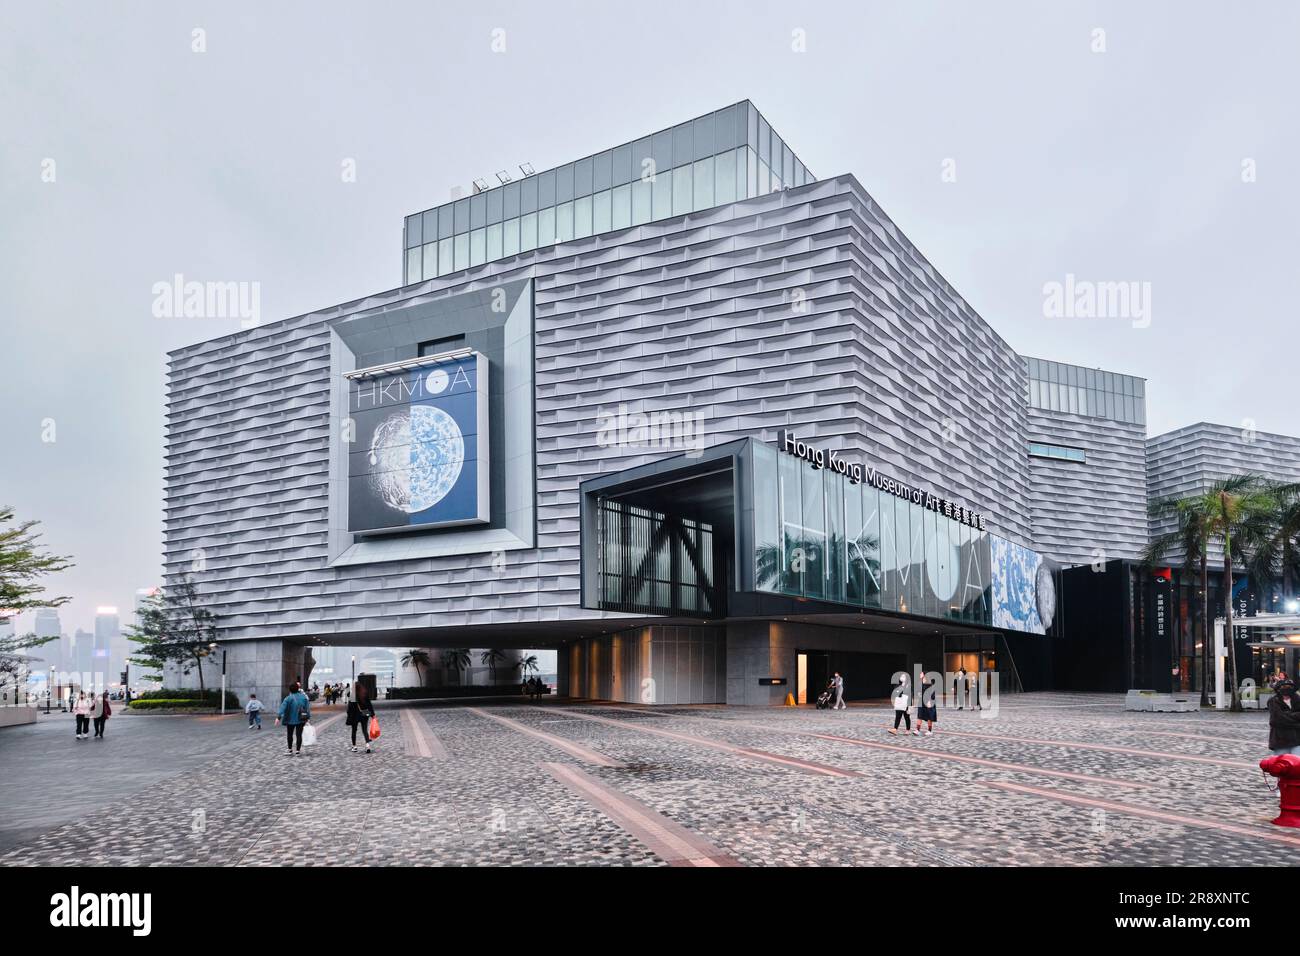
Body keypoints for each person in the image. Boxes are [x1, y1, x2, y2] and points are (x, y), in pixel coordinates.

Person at [276, 681, 311, 756]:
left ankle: (290, 749)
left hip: (290, 719)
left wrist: (278, 717)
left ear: (290, 689)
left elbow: (282, 708)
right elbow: (307, 708)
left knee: (290, 734)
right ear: (298, 688)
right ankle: (298, 751)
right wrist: (308, 717)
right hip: (301, 719)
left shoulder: (288, 698)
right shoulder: (303, 697)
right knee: (299, 735)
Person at [1267, 679, 1300, 756]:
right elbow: (1276, 720)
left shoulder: (1298, 699)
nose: (1287, 688)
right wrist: (1297, 722)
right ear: (1278, 689)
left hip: (1297, 740)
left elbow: (1282, 718)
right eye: (1284, 686)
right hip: (1280, 741)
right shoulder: (1273, 701)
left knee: (1297, 764)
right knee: (1282, 766)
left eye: (1289, 686)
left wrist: (1286, 716)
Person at [346, 680, 376, 754]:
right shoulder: (364, 693)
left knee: (354, 731)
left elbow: (350, 707)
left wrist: (349, 715)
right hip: (364, 714)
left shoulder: (352, 696)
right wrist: (372, 714)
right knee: (365, 730)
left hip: (355, 715)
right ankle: (367, 746)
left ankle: (354, 747)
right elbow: (369, 705)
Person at [916, 671, 937, 736]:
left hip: (928, 702)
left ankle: (929, 730)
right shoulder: (920, 683)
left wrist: (930, 701)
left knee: (929, 717)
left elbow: (932, 693)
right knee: (920, 715)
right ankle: (917, 730)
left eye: (921, 673)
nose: (920, 674)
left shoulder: (929, 683)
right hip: (921, 702)